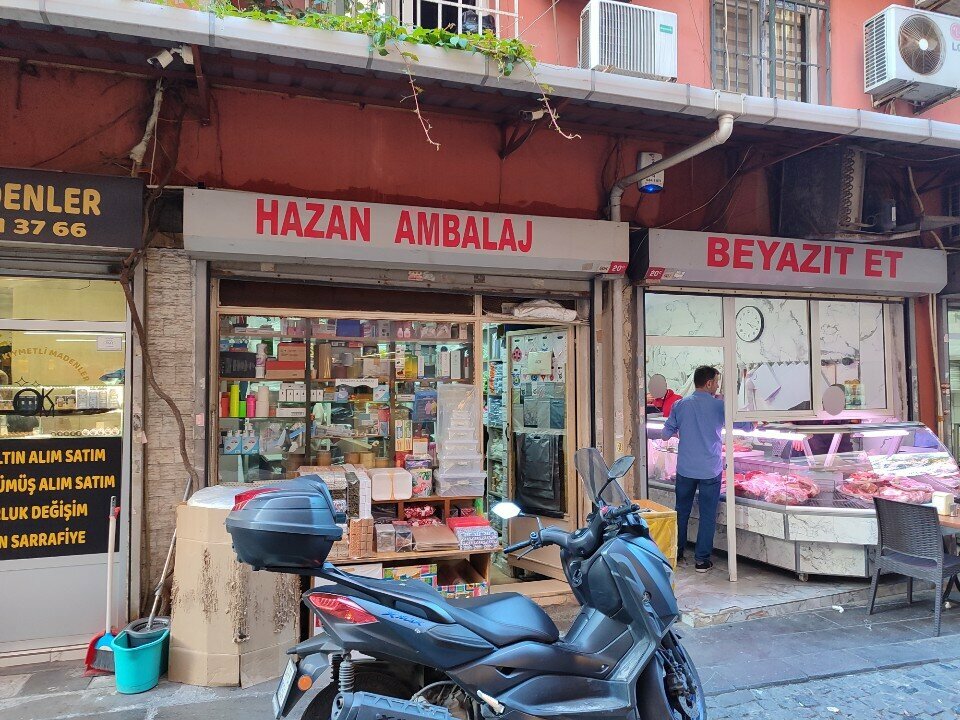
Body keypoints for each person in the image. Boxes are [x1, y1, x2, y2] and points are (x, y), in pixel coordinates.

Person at [661, 366, 724, 573]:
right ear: (708, 383)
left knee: (682, 511)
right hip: (710, 470)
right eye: (716, 382)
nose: (717, 385)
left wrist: (681, 430)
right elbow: (747, 426)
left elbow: (664, 434)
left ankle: (677, 553)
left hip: (686, 468)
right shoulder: (719, 406)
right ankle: (701, 560)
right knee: (707, 515)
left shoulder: (680, 405)